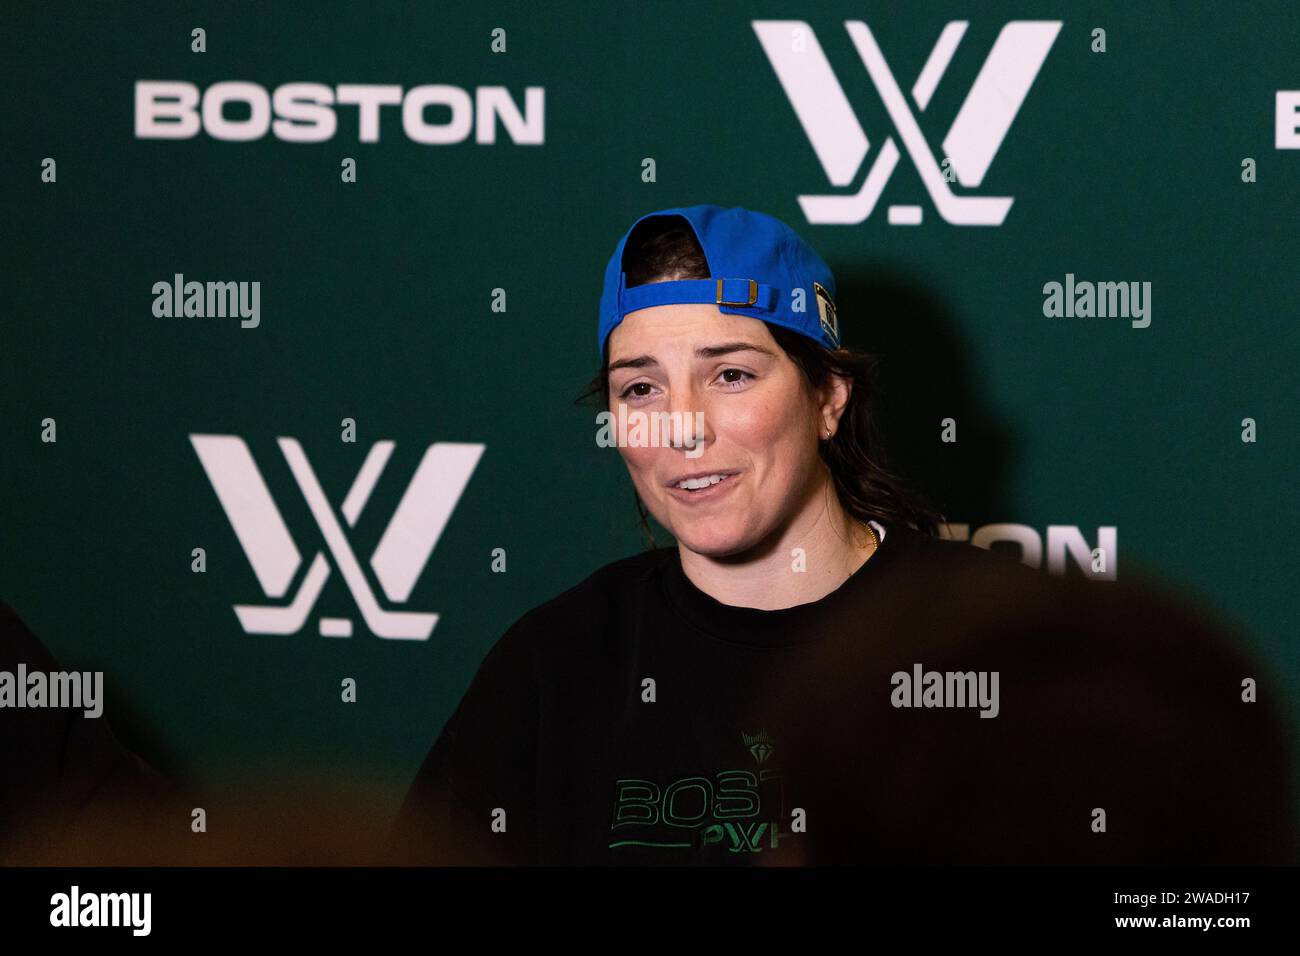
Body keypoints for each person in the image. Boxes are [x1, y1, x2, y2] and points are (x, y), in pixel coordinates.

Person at [388, 205, 1294, 865]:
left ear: (828, 399)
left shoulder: (991, 643)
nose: (682, 426)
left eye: (732, 374)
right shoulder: (556, 664)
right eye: (640, 388)